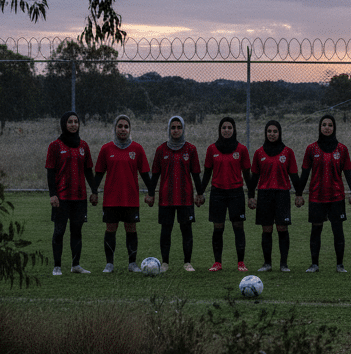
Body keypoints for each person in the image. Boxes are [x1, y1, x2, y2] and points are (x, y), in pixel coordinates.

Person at [89, 115, 152, 273]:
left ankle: (132, 264)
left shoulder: (137, 149)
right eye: (120, 126)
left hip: (130, 198)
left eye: (126, 126)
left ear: (130, 129)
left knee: (131, 229)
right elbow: (98, 174)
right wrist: (94, 192)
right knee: (111, 229)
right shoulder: (106, 149)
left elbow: (145, 174)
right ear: (115, 128)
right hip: (111, 199)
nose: (123, 129)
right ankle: (109, 264)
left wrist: (151, 193)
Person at [296, 114, 351, 273]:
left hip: (336, 196)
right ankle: (314, 264)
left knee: (338, 230)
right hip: (316, 196)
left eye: (330, 125)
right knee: (316, 229)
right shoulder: (311, 149)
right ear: (320, 127)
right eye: (324, 125)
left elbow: (348, 172)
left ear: (334, 128)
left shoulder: (342, 149)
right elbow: (304, 174)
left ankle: (340, 265)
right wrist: (299, 193)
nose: (327, 127)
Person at [147, 116, 202, 272]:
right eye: (173, 127)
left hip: (185, 198)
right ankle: (165, 263)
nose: (176, 130)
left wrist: (200, 193)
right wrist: (151, 194)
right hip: (166, 198)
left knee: (186, 230)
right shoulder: (161, 150)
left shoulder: (191, 149)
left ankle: (187, 263)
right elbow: (155, 175)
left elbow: (196, 174)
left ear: (183, 129)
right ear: (169, 130)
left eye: (179, 127)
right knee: (166, 230)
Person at [46, 111, 96, 275]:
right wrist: (52, 194)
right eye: (70, 122)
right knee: (59, 231)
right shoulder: (55, 146)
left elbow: (88, 171)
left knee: (77, 231)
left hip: (79, 198)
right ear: (63, 124)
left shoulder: (84, 146)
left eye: (76, 121)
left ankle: (76, 265)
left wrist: (94, 191)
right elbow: (50, 172)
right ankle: (57, 266)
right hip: (62, 198)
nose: (73, 124)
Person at [199, 116, 251, 271]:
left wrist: (252, 196)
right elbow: (207, 174)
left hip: (236, 193)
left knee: (238, 227)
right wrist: (200, 193)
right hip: (217, 193)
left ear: (234, 130)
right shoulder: (212, 149)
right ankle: (217, 263)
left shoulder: (241, 149)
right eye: (224, 128)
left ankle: (241, 263)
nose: (226, 130)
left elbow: (247, 175)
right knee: (218, 228)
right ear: (219, 130)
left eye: (229, 128)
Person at [247, 120, 299, 272]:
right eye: (269, 131)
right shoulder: (259, 153)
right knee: (267, 229)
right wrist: (251, 196)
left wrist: (299, 194)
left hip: (282, 193)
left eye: (275, 131)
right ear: (265, 133)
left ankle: (284, 264)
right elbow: (254, 178)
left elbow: (294, 175)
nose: (272, 134)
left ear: (279, 133)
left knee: (282, 228)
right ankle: (267, 264)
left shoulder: (288, 152)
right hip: (264, 194)